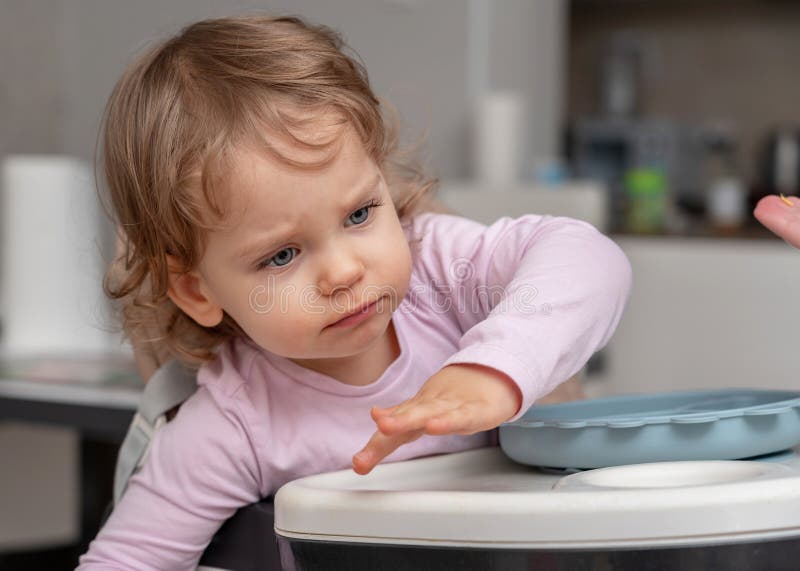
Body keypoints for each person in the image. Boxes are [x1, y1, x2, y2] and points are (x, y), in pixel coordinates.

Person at [78, 15, 632, 569]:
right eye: (282, 254)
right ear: (198, 291)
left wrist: (496, 367)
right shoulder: (235, 423)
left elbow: (590, 258)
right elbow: (125, 560)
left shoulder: (439, 268)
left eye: (361, 213)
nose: (343, 271)